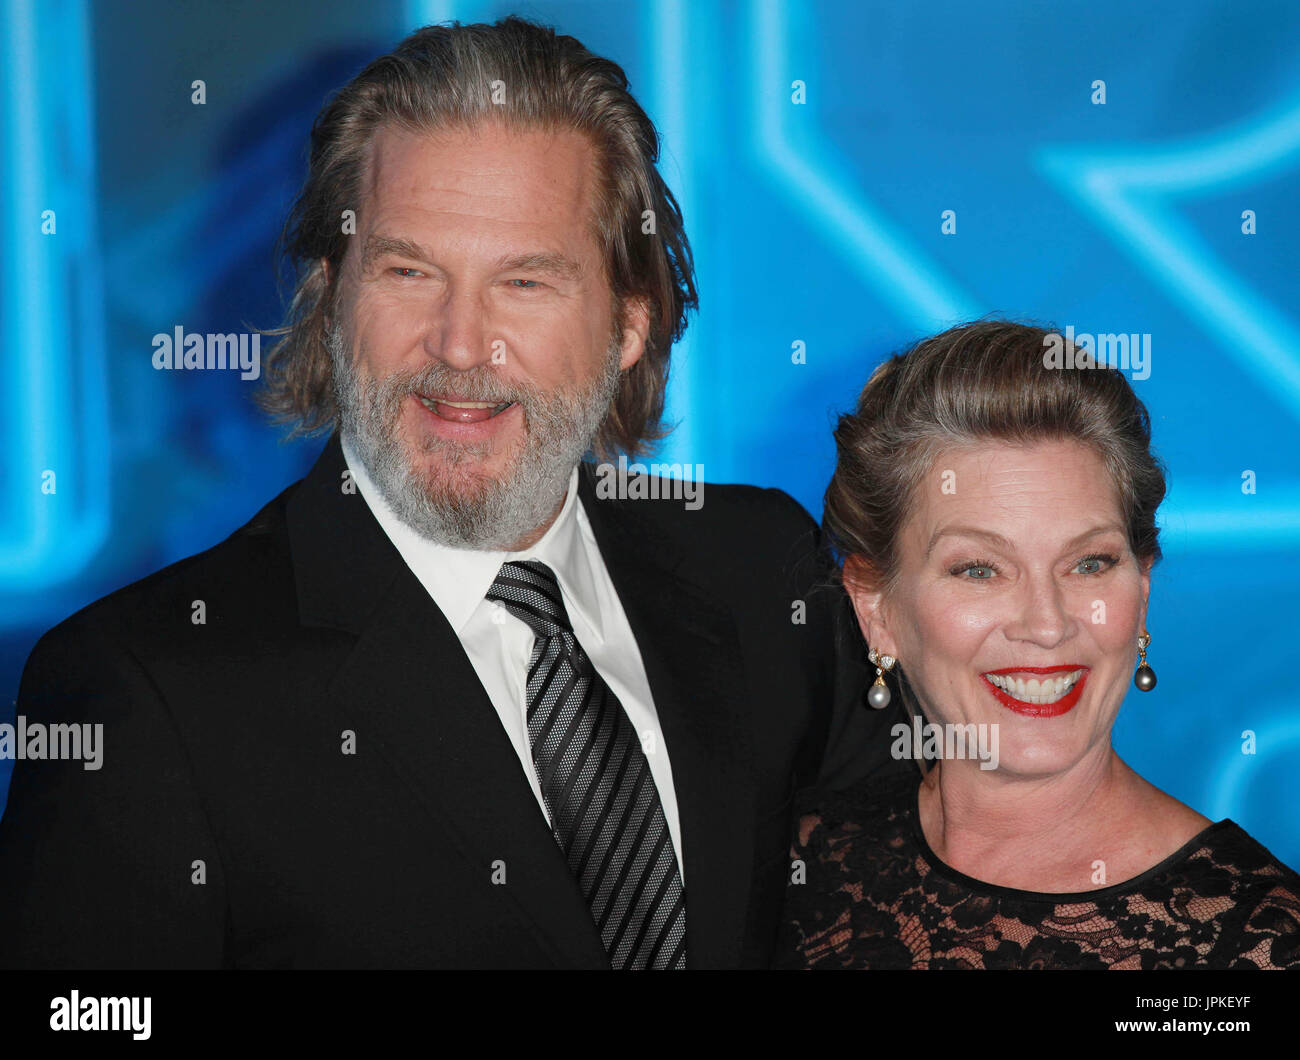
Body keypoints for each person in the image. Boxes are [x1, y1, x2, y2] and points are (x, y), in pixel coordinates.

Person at [0, 17, 903, 970]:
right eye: (409, 271)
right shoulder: (141, 690)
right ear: (329, 297)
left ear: (631, 325)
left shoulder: (762, 572)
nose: (462, 345)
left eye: (525, 281)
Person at [777, 320, 1300, 970]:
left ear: (1141, 591)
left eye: (1089, 563)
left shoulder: (1258, 942)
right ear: (875, 608)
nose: (1046, 624)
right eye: (978, 569)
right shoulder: (795, 868)